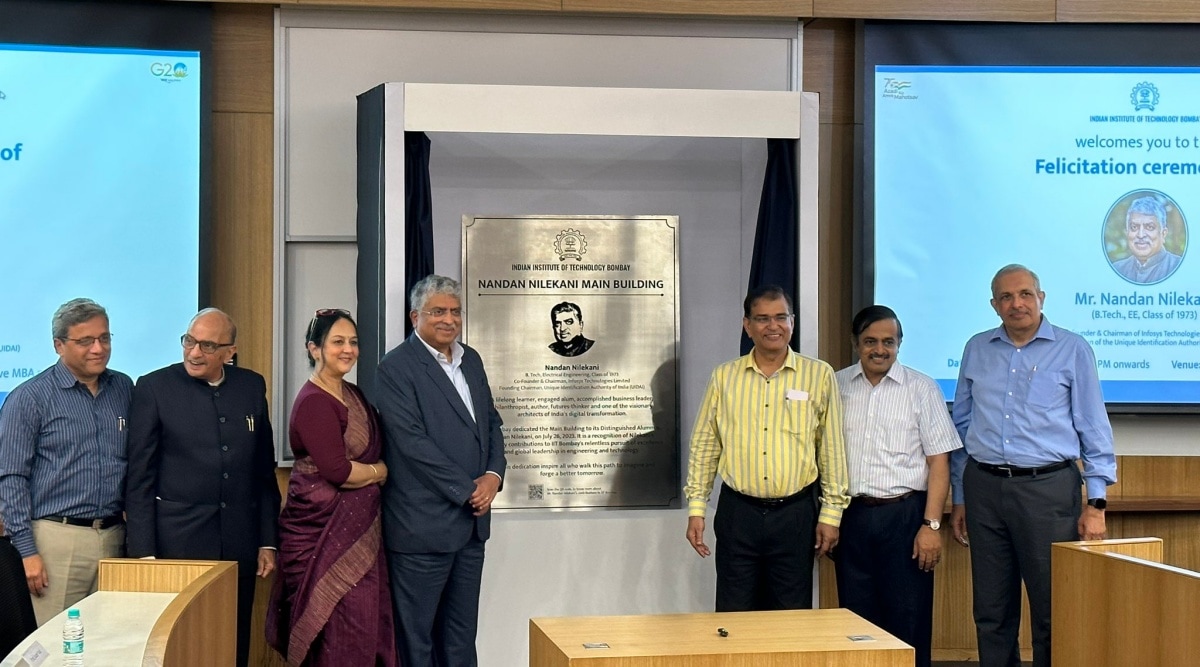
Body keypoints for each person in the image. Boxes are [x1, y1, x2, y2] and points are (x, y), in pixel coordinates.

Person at [950, 264, 1116, 667]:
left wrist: (1096, 504)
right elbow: (962, 425)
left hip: (1048, 490)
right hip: (984, 488)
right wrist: (959, 496)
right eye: (1006, 297)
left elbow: (1093, 426)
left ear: (1041, 298)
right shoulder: (977, 348)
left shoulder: (1072, 349)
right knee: (991, 608)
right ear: (994, 305)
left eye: (1025, 294)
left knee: (1051, 608)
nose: (1016, 303)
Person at [125, 308, 281, 667]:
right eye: (190, 341)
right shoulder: (154, 387)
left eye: (208, 346)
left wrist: (266, 539)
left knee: (232, 646)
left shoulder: (251, 386)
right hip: (177, 546)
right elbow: (140, 477)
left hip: (238, 545)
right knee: (180, 647)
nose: (195, 352)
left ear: (230, 351)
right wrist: (144, 553)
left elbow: (262, 470)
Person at [684, 284, 850, 611]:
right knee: (734, 614)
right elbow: (704, 446)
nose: (772, 326)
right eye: (762, 319)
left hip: (795, 515)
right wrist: (696, 508)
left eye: (780, 317)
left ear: (792, 321)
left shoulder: (819, 376)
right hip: (738, 513)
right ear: (747, 325)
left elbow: (831, 449)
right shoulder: (724, 377)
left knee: (790, 616)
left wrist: (832, 514)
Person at [375, 275, 507, 667]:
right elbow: (411, 444)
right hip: (422, 530)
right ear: (415, 316)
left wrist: (493, 477)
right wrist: (467, 488)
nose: (448, 319)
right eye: (438, 312)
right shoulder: (395, 367)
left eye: (454, 311)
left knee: (462, 637)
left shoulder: (472, 359)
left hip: (470, 527)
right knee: (417, 642)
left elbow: (492, 423)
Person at [266, 309, 396, 666]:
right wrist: (379, 471)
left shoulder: (353, 395)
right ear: (314, 349)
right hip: (317, 535)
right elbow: (337, 471)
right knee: (332, 634)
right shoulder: (314, 402)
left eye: (353, 342)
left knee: (363, 627)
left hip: (357, 534)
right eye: (337, 342)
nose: (348, 350)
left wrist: (368, 472)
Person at [833, 305, 961, 667]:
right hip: (851, 517)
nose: (879, 349)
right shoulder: (836, 385)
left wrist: (931, 526)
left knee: (908, 618)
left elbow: (940, 461)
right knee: (855, 620)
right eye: (870, 341)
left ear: (899, 344)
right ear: (856, 343)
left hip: (906, 518)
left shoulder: (922, 388)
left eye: (888, 342)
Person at [0, 298, 132, 625]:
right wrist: (28, 552)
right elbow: (11, 477)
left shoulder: (124, 388)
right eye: (85, 341)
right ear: (59, 345)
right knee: (53, 647)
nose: (98, 348)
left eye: (105, 338)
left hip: (114, 536)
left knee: (105, 642)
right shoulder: (30, 397)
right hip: (56, 541)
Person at [1110, 195, 1183, 284]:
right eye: (1134, 227)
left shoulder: (1179, 266)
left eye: (1149, 227)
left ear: (1163, 234)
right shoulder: (1117, 269)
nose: (1140, 235)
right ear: (1127, 233)